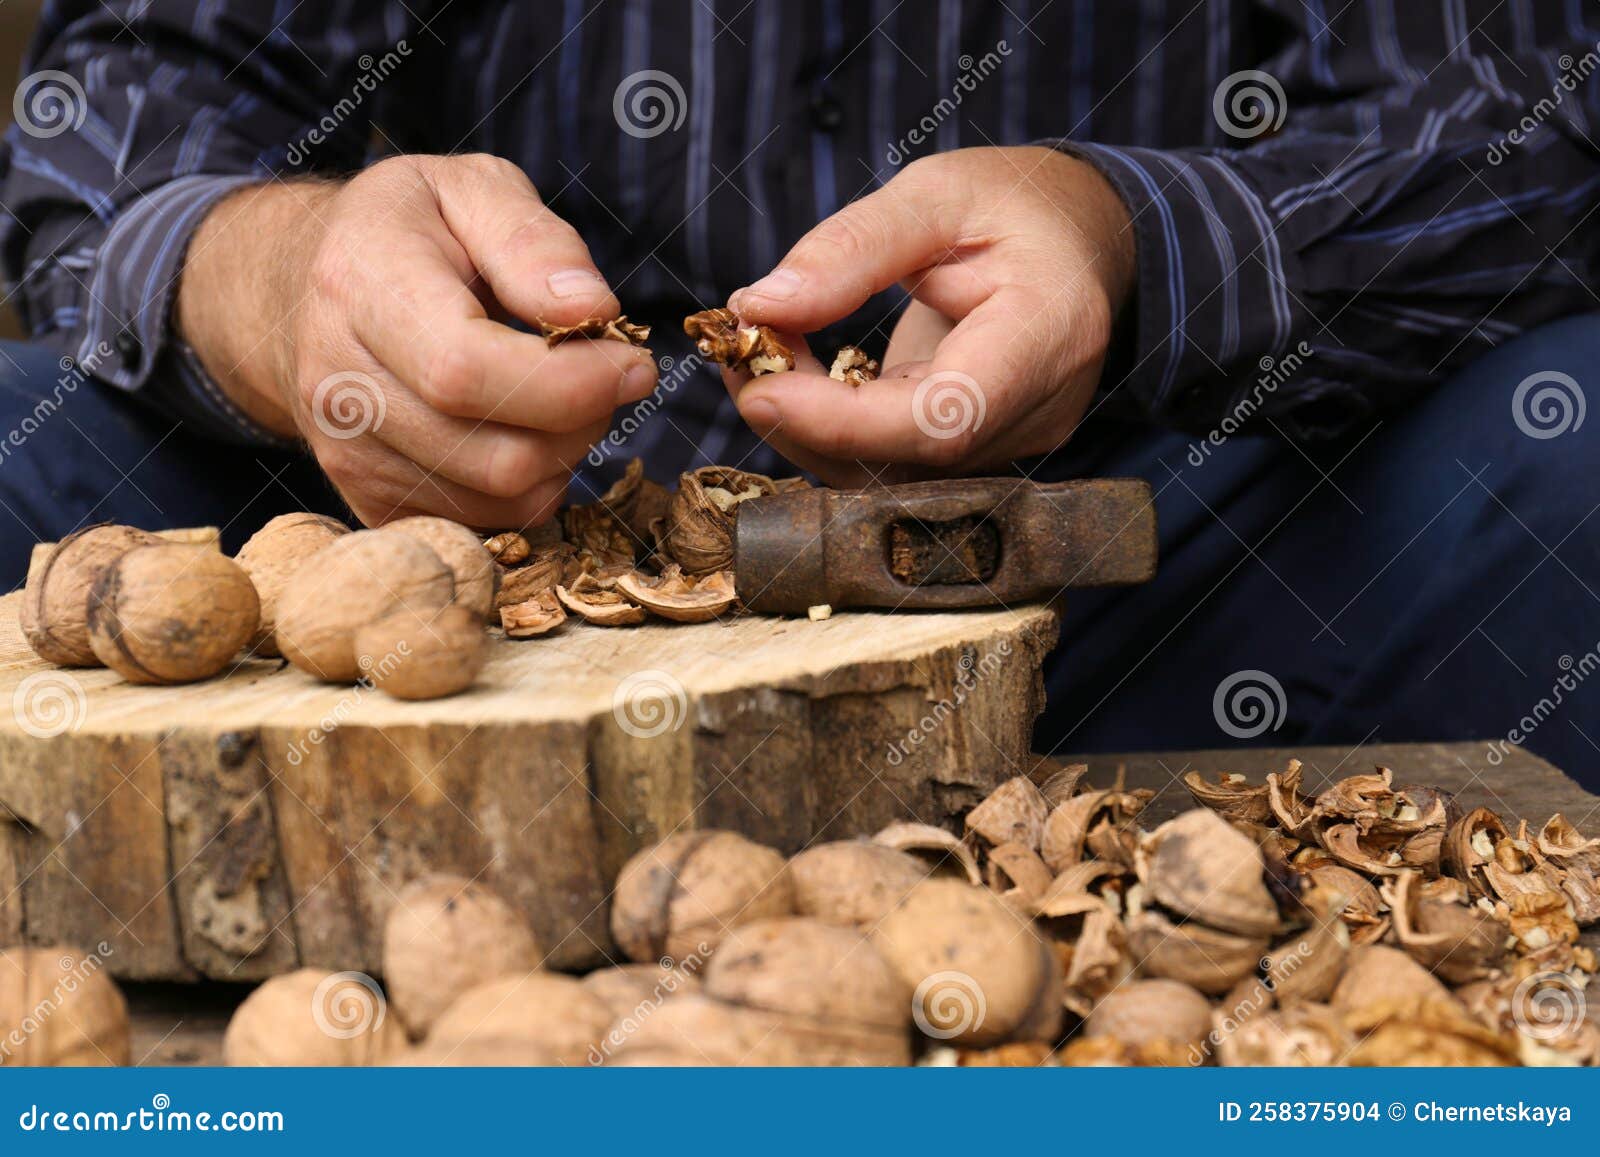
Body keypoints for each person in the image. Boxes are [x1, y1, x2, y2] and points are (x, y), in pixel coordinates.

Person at [1, 2, 1597, 783]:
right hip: (456, 553)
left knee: (1570, 448)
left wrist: (1134, 243)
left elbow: (1511, 118)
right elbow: (119, 110)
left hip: (1121, 550)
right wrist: (291, 287)